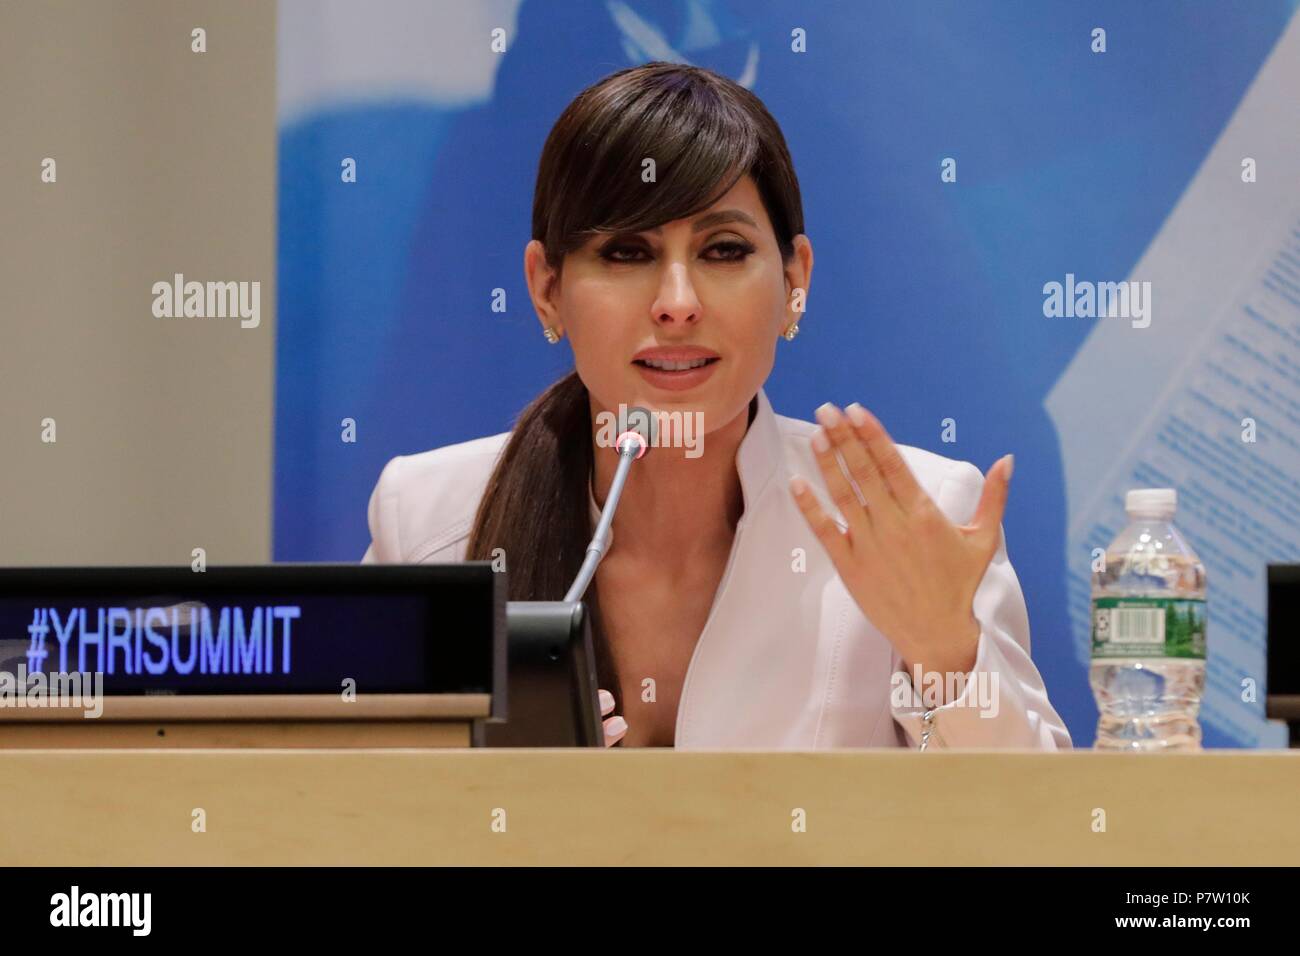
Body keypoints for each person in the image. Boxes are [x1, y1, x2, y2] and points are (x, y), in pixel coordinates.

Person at [362, 61, 1071, 751]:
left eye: (724, 251)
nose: (677, 305)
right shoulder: (429, 519)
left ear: (795, 280)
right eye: (626, 253)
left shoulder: (912, 517)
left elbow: (1039, 831)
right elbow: (345, 814)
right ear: (547, 288)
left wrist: (943, 651)